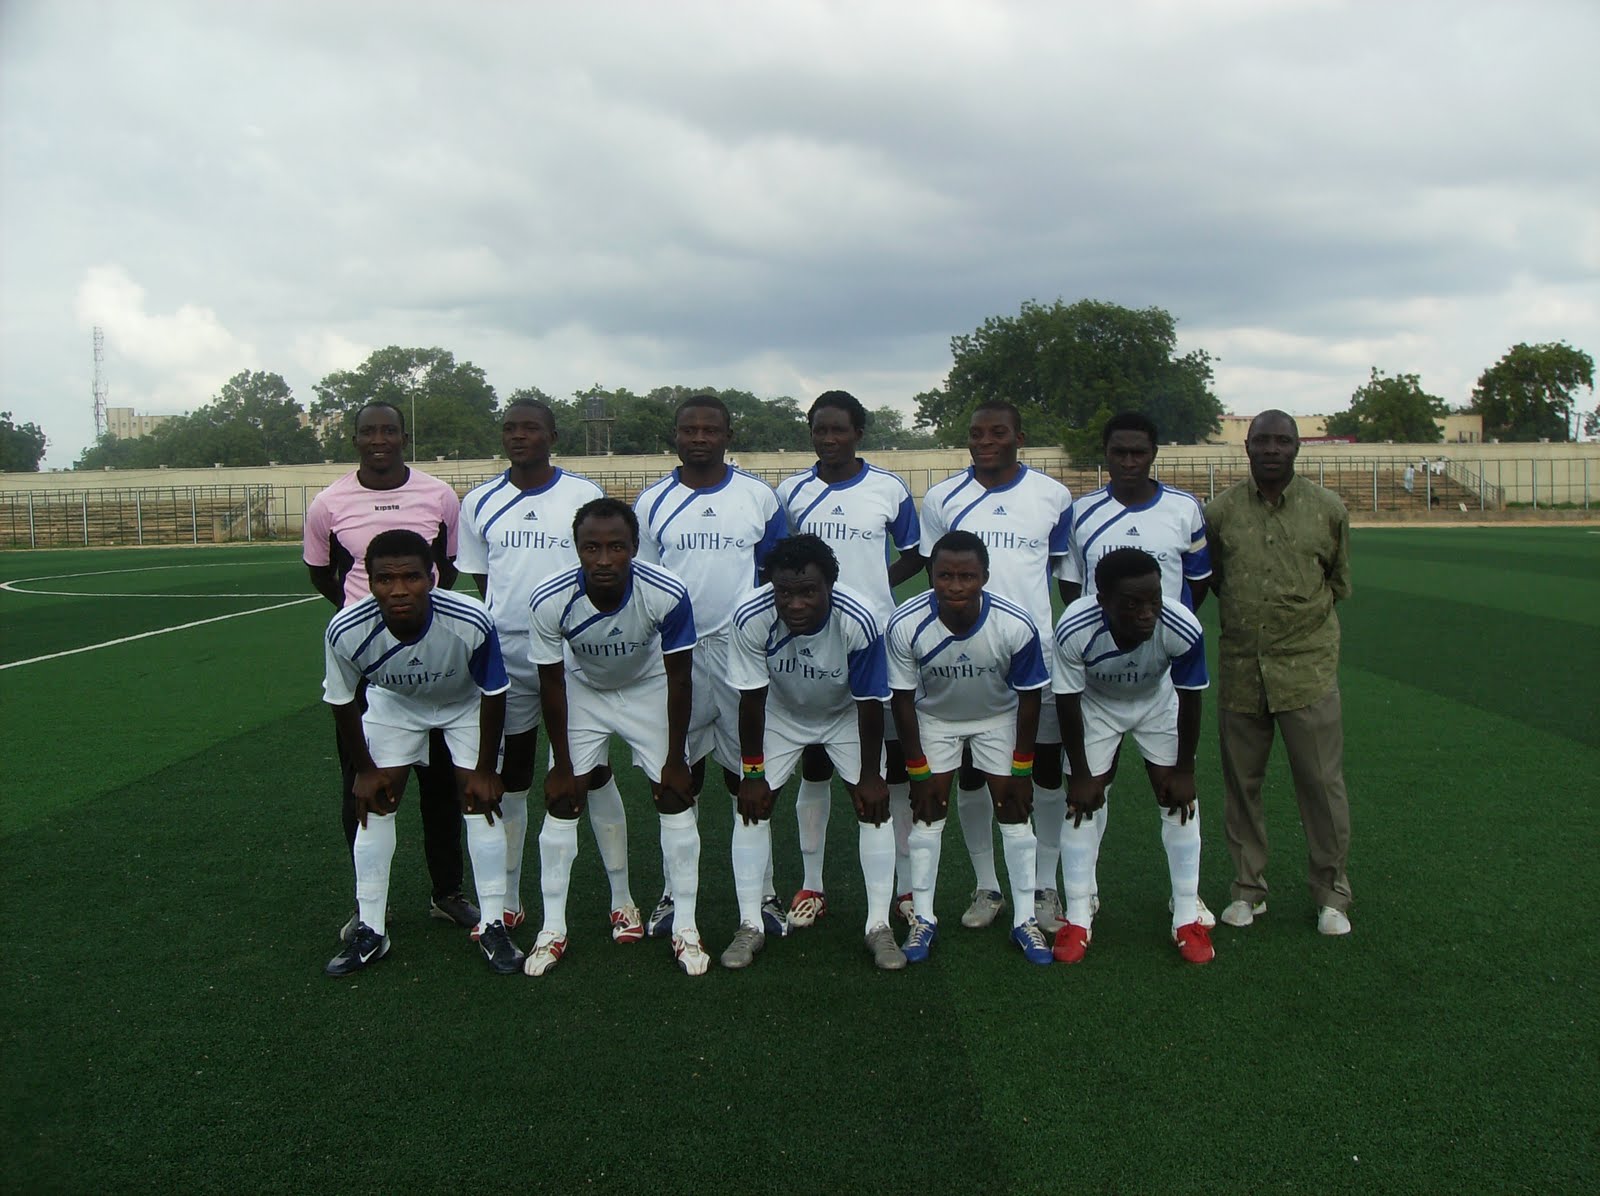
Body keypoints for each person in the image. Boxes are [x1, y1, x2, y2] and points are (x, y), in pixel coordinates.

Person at [457, 398, 639, 940]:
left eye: (531, 428)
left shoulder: (583, 495)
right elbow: (483, 579)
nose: (519, 436)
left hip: (574, 655)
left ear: (552, 436)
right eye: (510, 428)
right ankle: (509, 898)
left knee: (591, 771)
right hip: (509, 656)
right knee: (511, 777)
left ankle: (622, 898)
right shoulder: (480, 501)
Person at [303, 402, 478, 941]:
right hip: (367, 662)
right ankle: (367, 906)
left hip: (434, 656)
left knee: (442, 782)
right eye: (368, 432)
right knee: (362, 781)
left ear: (404, 436)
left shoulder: (439, 495)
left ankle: (447, 892)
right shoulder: (328, 503)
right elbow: (321, 573)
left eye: (389, 431)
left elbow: (447, 566)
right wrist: (365, 622)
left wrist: (417, 617)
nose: (379, 439)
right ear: (355, 439)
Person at [323, 530, 521, 976]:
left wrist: (485, 770)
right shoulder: (346, 628)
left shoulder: (471, 619)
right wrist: (365, 770)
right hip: (396, 704)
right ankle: (371, 929)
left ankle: (493, 924)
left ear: (432, 578)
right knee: (376, 801)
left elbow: (494, 692)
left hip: (463, 703)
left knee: (480, 801)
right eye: (385, 579)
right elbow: (341, 699)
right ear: (370, 582)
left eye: (411, 577)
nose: (398, 590)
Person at [525, 499, 707, 975]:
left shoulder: (666, 591)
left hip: (648, 688)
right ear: (576, 548)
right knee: (563, 800)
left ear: (635, 547)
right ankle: (555, 927)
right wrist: (562, 764)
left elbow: (680, 677)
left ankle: (686, 927)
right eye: (591, 548)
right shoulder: (549, 597)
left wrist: (675, 758)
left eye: (616, 547)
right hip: (584, 689)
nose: (604, 559)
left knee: (674, 796)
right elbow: (551, 684)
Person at [634, 394, 789, 939]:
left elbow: (777, 574)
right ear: (675, 435)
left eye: (710, 429)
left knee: (747, 774)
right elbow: (645, 580)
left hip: (741, 651)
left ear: (728, 435)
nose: (699, 437)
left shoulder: (759, 497)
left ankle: (764, 893)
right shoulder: (652, 502)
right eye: (689, 429)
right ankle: (673, 895)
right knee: (679, 773)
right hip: (676, 654)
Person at [1058, 410, 1215, 929]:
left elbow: (1198, 581)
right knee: (1087, 792)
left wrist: (1160, 634)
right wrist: (1107, 630)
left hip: (1157, 672)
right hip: (1097, 675)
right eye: (1119, 452)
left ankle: (1186, 902)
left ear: (1153, 454)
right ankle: (1083, 899)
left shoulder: (1184, 508)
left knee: (1176, 791)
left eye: (1138, 452)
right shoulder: (1082, 512)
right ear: (1105, 453)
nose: (1129, 461)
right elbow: (1072, 585)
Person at [920, 402, 1072, 935]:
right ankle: (987, 884)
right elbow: (936, 575)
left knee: (1044, 771)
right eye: (976, 433)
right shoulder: (941, 498)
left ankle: (1044, 885)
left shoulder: (1053, 496)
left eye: (997, 432)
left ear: (1019, 438)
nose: (985, 441)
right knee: (972, 774)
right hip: (965, 658)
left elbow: (1063, 576)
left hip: (1035, 655)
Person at [773, 390, 923, 930]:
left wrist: (876, 586)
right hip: (813, 645)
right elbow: (778, 560)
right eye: (820, 429)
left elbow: (915, 553)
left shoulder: (889, 488)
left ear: (859, 432)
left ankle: (905, 890)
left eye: (839, 429)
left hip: (877, 641)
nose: (829, 438)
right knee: (815, 764)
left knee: (892, 770)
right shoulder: (791, 492)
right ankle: (812, 885)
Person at [1205, 410, 1354, 936]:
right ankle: (1248, 889)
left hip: (1306, 670)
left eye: (1282, 441)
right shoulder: (1220, 512)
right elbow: (1217, 580)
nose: (1272, 449)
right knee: (1242, 786)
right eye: (1262, 440)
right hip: (1242, 668)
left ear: (1297, 447)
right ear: (1247, 446)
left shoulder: (1327, 509)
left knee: (1321, 784)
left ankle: (1331, 893)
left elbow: (1337, 581)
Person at [723, 535, 901, 971]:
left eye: (808, 591)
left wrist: (871, 776)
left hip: (844, 713)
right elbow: (751, 700)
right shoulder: (750, 615)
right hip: (782, 714)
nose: (795, 604)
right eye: (784, 592)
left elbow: (870, 703)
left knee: (874, 809)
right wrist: (752, 774)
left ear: (829, 586)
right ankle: (749, 925)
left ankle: (879, 926)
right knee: (752, 809)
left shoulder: (858, 617)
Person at [886, 531, 1052, 965]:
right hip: (935, 721)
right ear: (930, 576)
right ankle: (924, 918)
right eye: (945, 575)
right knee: (927, 816)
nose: (955, 586)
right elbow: (901, 699)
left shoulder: (1015, 624)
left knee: (1015, 815)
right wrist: (917, 770)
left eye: (967, 576)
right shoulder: (905, 623)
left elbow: (1030, 698)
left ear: (985, 577)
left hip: (997, 719)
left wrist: (1022, 769)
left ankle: (1025, 920)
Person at [1051, 548, 1213, 965]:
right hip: (1096, 704)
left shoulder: (1180, 625)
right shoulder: (1074, 628)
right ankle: (1079, 915)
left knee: (1178, 798)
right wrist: (1081, 774)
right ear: (1102, 599)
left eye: (1154, 600)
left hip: (1155, 701)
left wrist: (1185, 769)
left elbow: (1191, 698)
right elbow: (1067, 702)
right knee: (1082, 802)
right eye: (1132, 604)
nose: (1146, 613)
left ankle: (1185, 915)